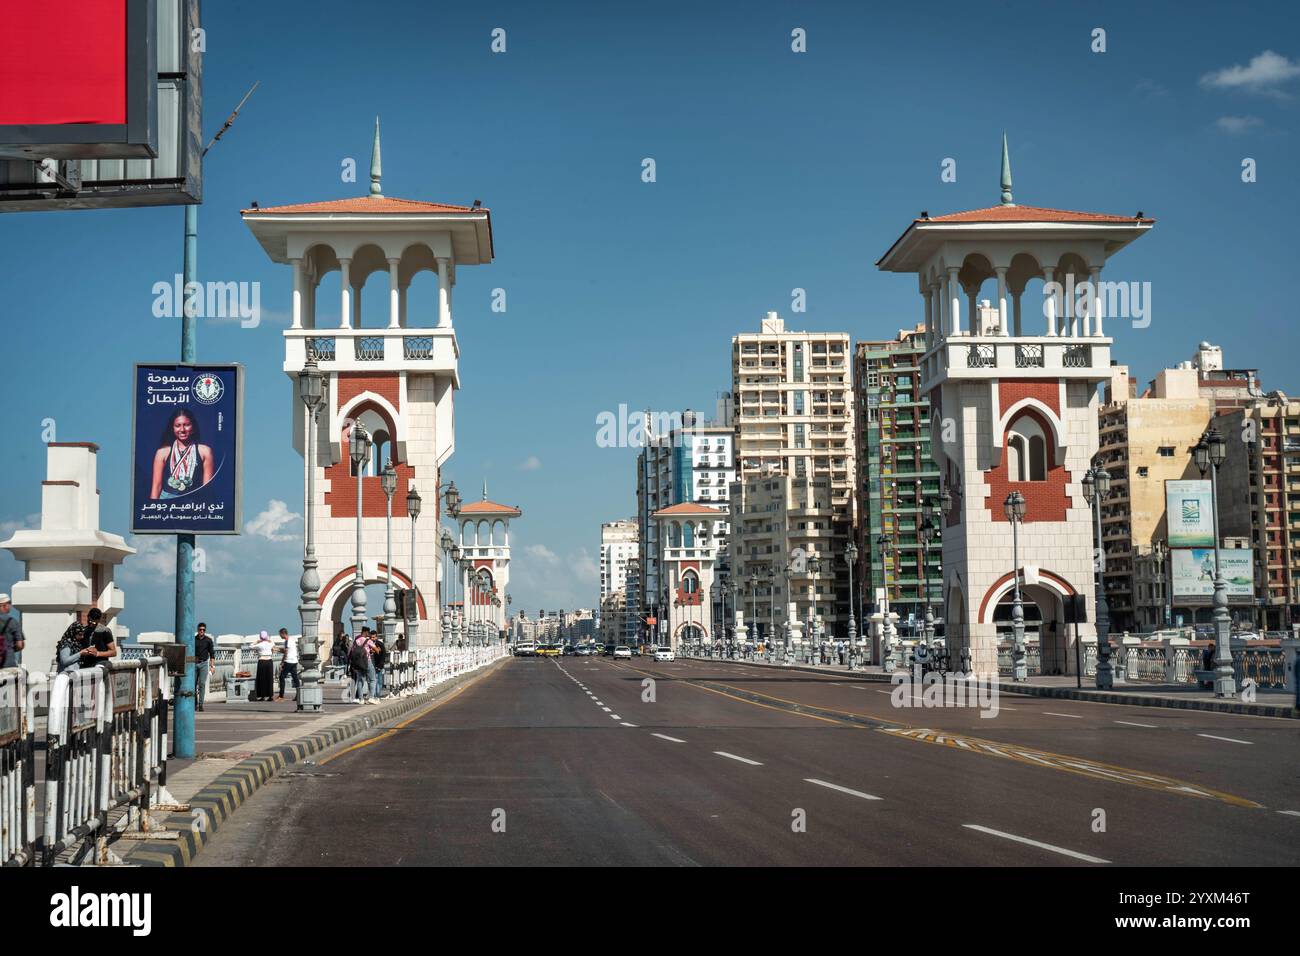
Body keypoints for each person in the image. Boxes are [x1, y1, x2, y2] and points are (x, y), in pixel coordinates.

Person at [149, 406, 215, 500]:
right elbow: (156, 486)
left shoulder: (205, 451)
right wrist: (152, 509)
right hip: (166, 501)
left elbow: (207, 489)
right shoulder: (162, 453)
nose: (182, 430)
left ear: (193, 426)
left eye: (186, 425)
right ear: (172, 428)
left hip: (194, 502)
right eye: (177, 425)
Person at [348, 628, 375, 704]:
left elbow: (352, 651)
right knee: (372, 679)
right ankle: (371, 697)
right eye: (368, 632)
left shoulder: (356, 641)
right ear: (365, 632)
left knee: (360, 680)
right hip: (367, 661)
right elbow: (376, 649)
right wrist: (372, 650)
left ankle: (361, 699)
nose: (368, 634)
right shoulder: (368, 640)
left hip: (358, 663)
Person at [194, 622, 215, 711]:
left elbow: (212, 654)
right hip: (194, 664)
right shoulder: (193, 639)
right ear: (197, 630)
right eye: (200, 629)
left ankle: (201, 704)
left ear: (205, 630)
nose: (202, 631)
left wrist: (212, 666)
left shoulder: (208, 640)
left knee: (202, 684)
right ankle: (195, 703)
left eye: (203, 630)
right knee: (193, 685)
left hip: (203, 664)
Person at [0, 593, 24, 669]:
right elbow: (20, 645)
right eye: (9, 603)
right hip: (7, 662)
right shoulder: (12, 622)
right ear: (4, 605)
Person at [277, 627, 300, 701]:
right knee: (295, 678)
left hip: (289, 661)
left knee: (281, 677)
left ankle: (281, 696)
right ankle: (299, 695)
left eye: (280, 634)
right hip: (294, 661)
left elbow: (286, 652)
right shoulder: (292, 640)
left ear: (283, 634)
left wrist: (282, 662)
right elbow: (287, 650)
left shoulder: (287, 641)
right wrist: (278, 649)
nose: (280, 636)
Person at [251, 630, 275, 702]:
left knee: (262, 679)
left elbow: (250, 646)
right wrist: (268, 640)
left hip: (262, 661)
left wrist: (257, 642)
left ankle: (262, 696)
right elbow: (273, 644)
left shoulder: (259, 645)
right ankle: (270, 696)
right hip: (269, 661)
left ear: (260, 637)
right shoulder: (270, 644)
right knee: (269, 679)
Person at [371, 633, 388, 699]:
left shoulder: (380, 644)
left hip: (379, 665)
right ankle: (375, 695)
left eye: (374, 637)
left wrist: (381, 664)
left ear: (376, 637)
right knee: (374, 680)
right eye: (371, 637)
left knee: (379, 680)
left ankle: (377, 695)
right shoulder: (369, 644)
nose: (372, 639)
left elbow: (384, 654)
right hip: (372, 665)